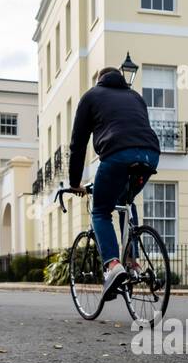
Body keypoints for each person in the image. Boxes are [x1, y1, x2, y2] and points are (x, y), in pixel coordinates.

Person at [67, 66, 161, 301]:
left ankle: (112, 265)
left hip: (117, 155)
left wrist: (75, 182)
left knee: (100, 211)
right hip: (150, 154)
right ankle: (133, 263)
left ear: (100, 80)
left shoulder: (91, 96)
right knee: (126, 202)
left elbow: (78, 144)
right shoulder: (135, 97)